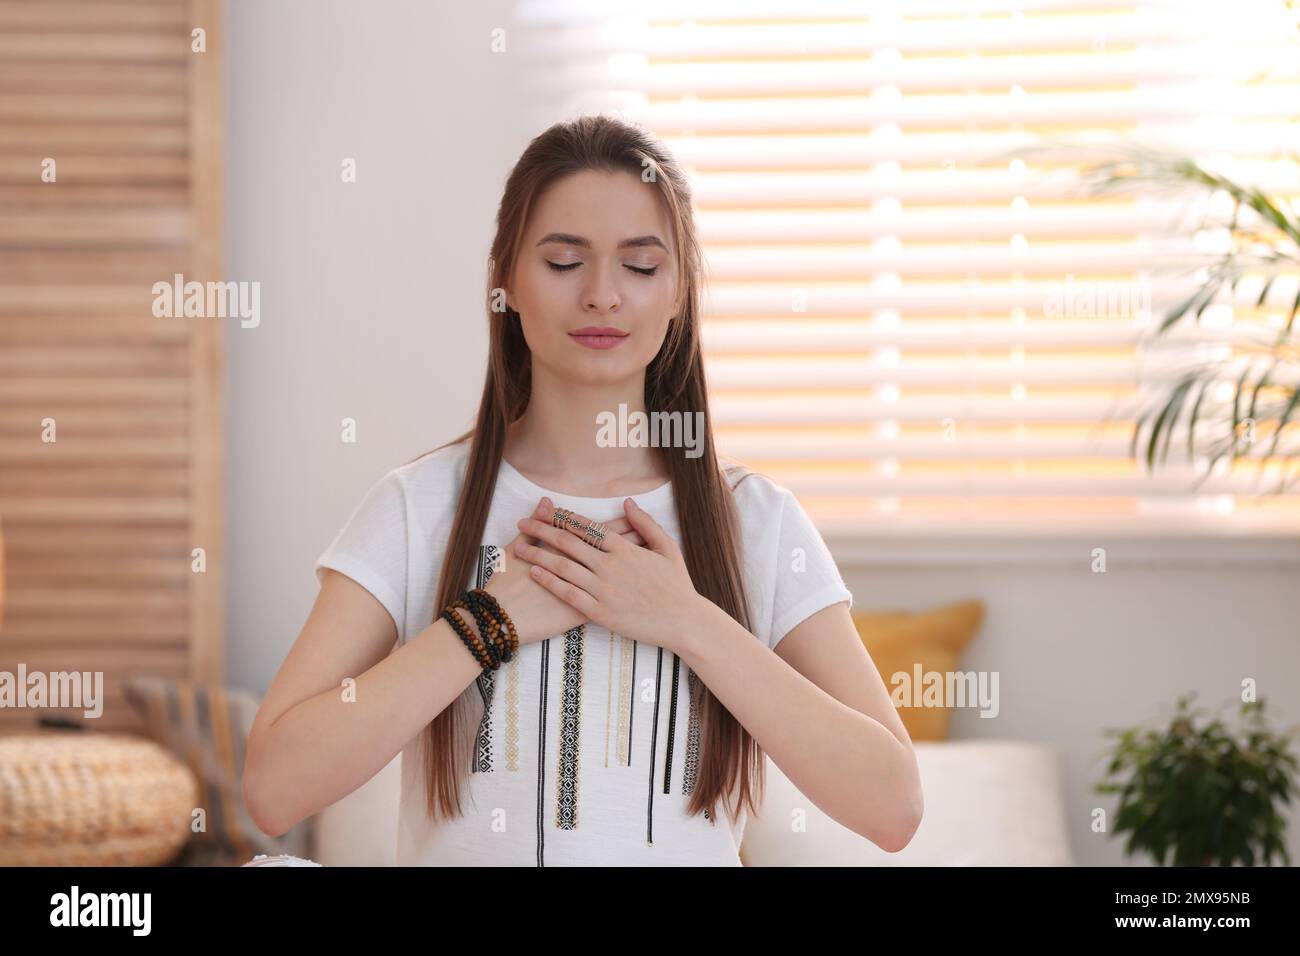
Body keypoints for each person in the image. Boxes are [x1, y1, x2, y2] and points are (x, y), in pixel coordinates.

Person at [243, 114, 922, 866]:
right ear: (506, 284)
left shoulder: (756, 522)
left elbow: (892, 808)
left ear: (679, 294)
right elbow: (274, 787)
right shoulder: (416, 507)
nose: (602, 295)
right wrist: (484, 627)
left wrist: (688, 621)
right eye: (565, 262)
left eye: (640, 266)